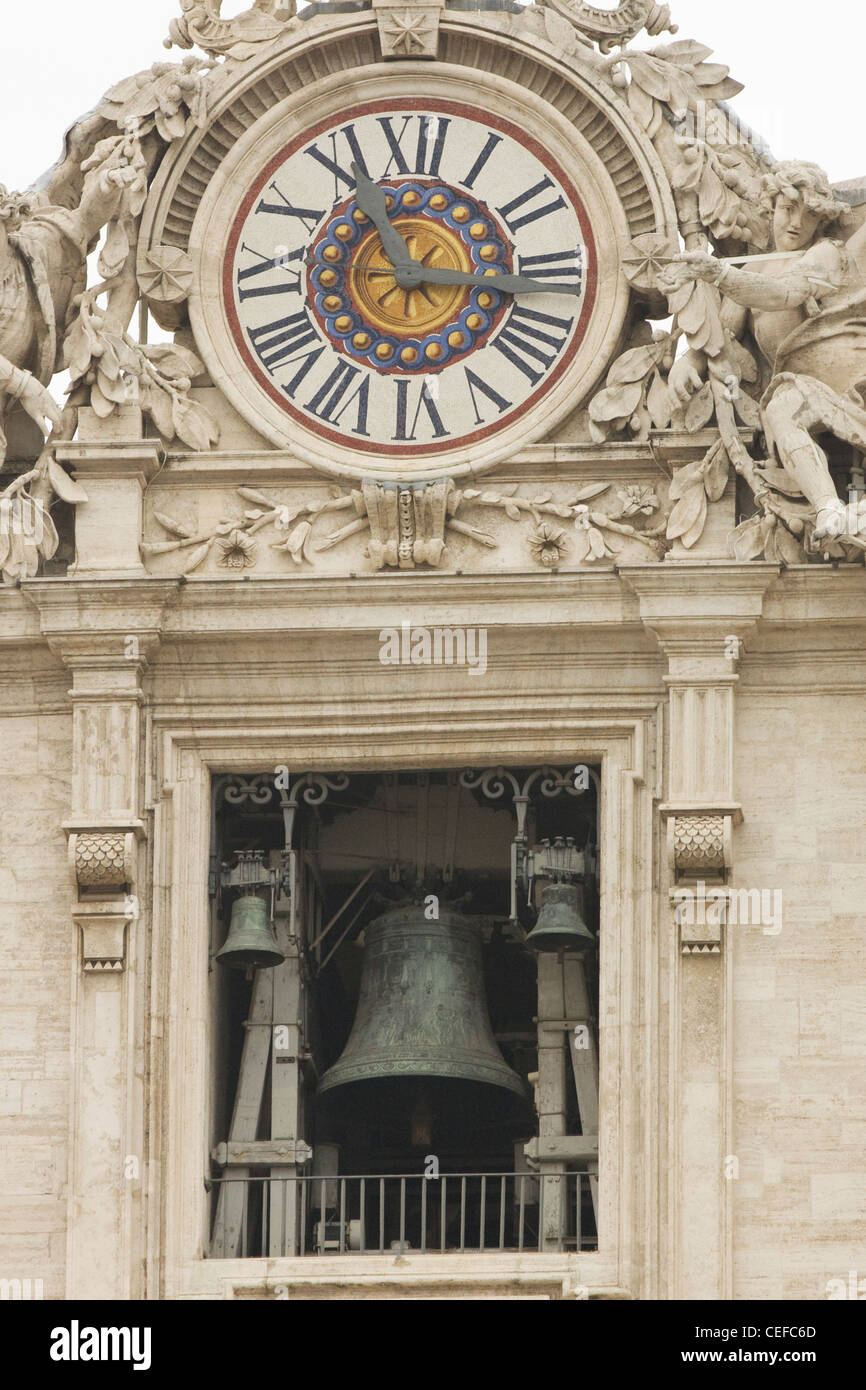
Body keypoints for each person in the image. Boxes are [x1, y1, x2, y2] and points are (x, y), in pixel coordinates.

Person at [660, 162, 866, 540]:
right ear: (770, 207)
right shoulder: (757, 270)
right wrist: (688, 360)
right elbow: (721, 334)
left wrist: (720, 275)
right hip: (805, 388)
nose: (796, 224)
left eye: (810, 215)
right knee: (781, 408)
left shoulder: (826, 254)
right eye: (788, 209)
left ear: (822, 223)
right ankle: (830, 508)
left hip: (851, 380)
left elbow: (783, 294)